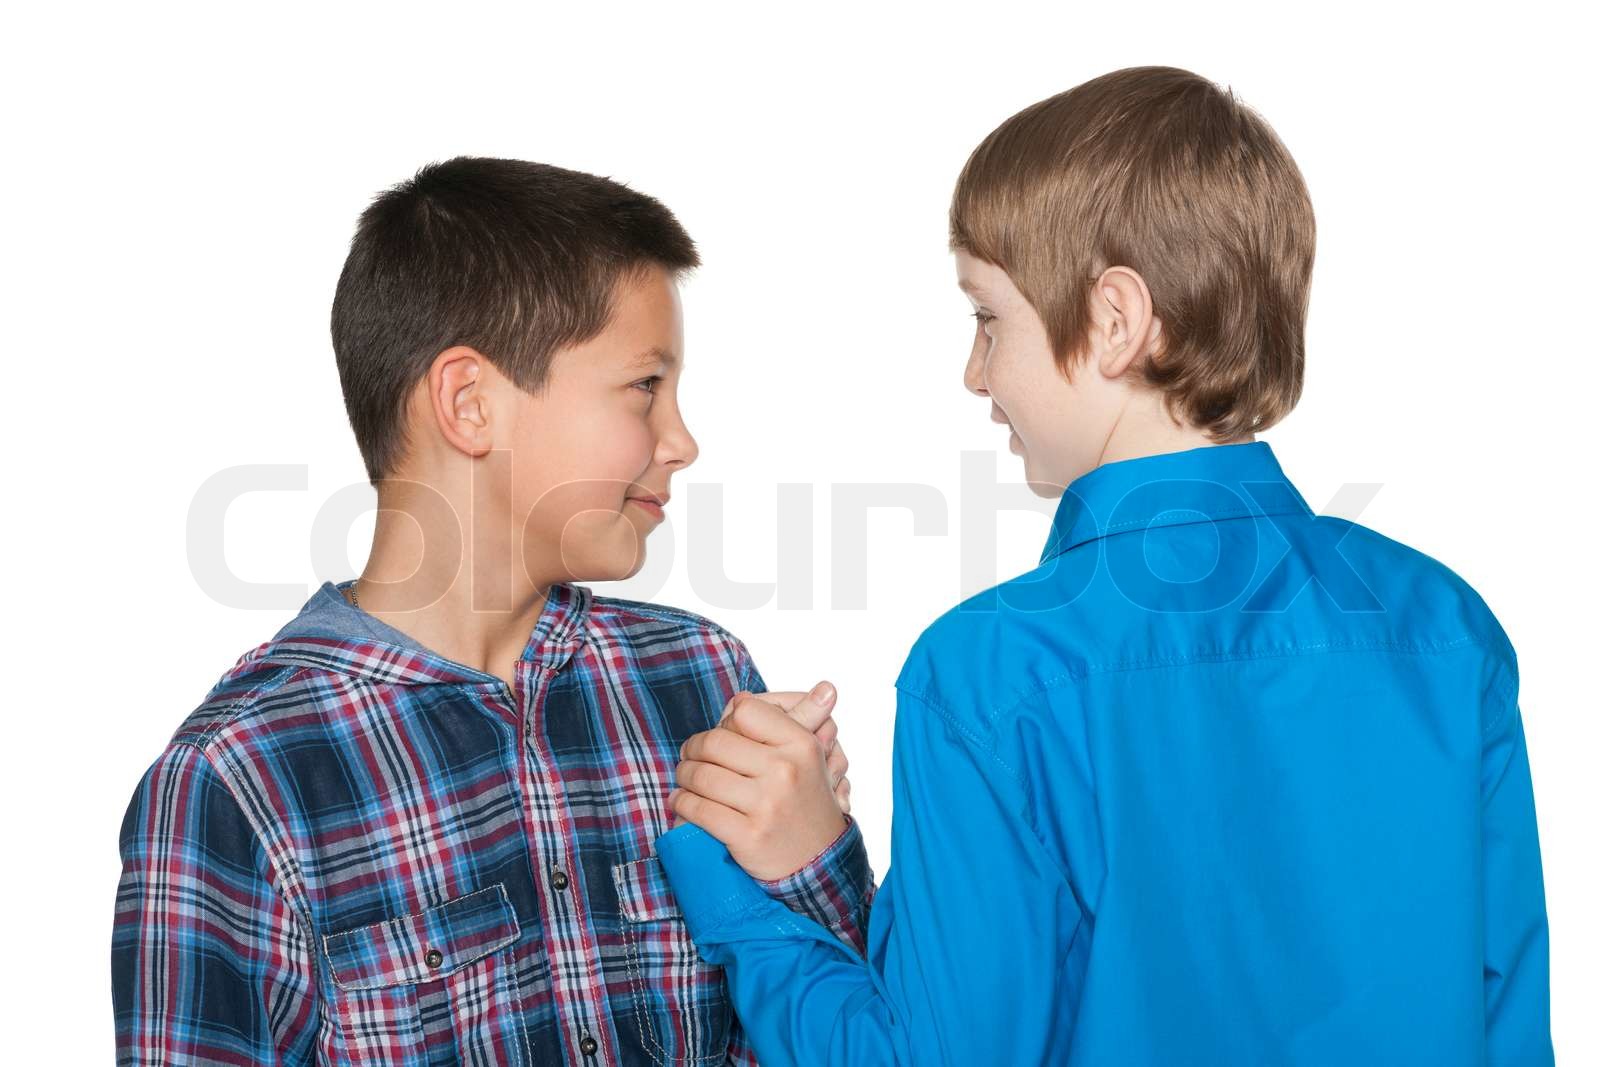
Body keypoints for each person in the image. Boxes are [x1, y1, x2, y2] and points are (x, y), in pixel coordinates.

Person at [655, 66, 1553, 1065]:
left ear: (1114, 320)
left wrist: (723, 885)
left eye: (987, 318)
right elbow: (1506, 1020)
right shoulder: (1446, 625)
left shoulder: (989, 673)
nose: (974, 371)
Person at [111, 157, 874, 1066]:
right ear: (470, 404)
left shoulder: (702, 681)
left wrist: (817, 858)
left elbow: (859, 1032)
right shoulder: (237, 781)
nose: (682, 440)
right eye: (645, 387)